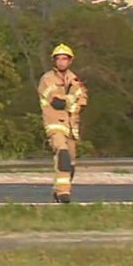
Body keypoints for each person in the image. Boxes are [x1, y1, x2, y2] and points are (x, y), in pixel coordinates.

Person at [37, 43, 88, 203]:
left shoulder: (74, 79)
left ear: (70, 61)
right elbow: (56, 101)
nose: (61, 62)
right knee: (62, 155)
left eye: (64, 59)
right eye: (58, 59)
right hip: (55, 124)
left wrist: (73, 101)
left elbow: (84, 99)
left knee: (70, 164)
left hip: (72, 127)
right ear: (54, 61)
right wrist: (72, 100)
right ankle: (63, 194)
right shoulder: (47, 79)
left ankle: (57, 191)